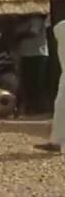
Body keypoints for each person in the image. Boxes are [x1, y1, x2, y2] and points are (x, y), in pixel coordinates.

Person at [38, 19, 65, 152]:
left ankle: (57, 142)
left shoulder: (61, 27)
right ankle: (56, 142)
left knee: (62, 107)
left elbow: (57, 30)